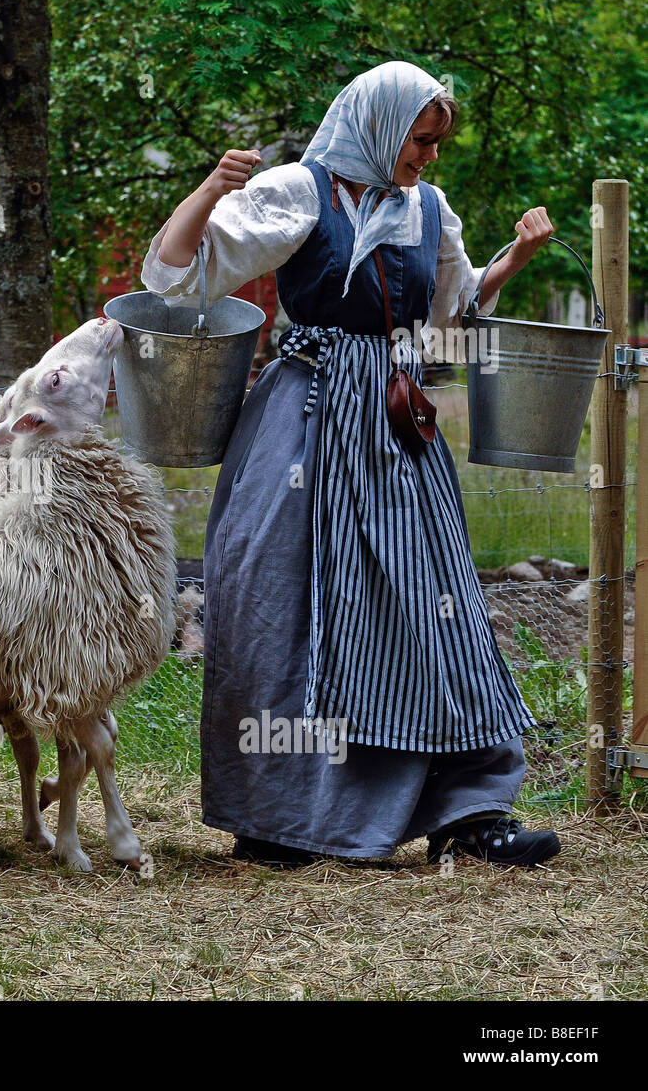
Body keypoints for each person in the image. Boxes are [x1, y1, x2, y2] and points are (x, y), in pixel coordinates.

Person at [141, 60, 561, 867]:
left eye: (438, 142)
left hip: (396, 427)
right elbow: (178, 276)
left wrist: (513, 261)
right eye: (421, 138)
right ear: (377, 124)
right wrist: (206, 188)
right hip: (302, 422)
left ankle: (471, 812)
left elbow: (448, 316)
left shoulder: (428, 210)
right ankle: (280, 820)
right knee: (277, 602)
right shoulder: (300, 192)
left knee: (432, 605)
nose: (430, 157)